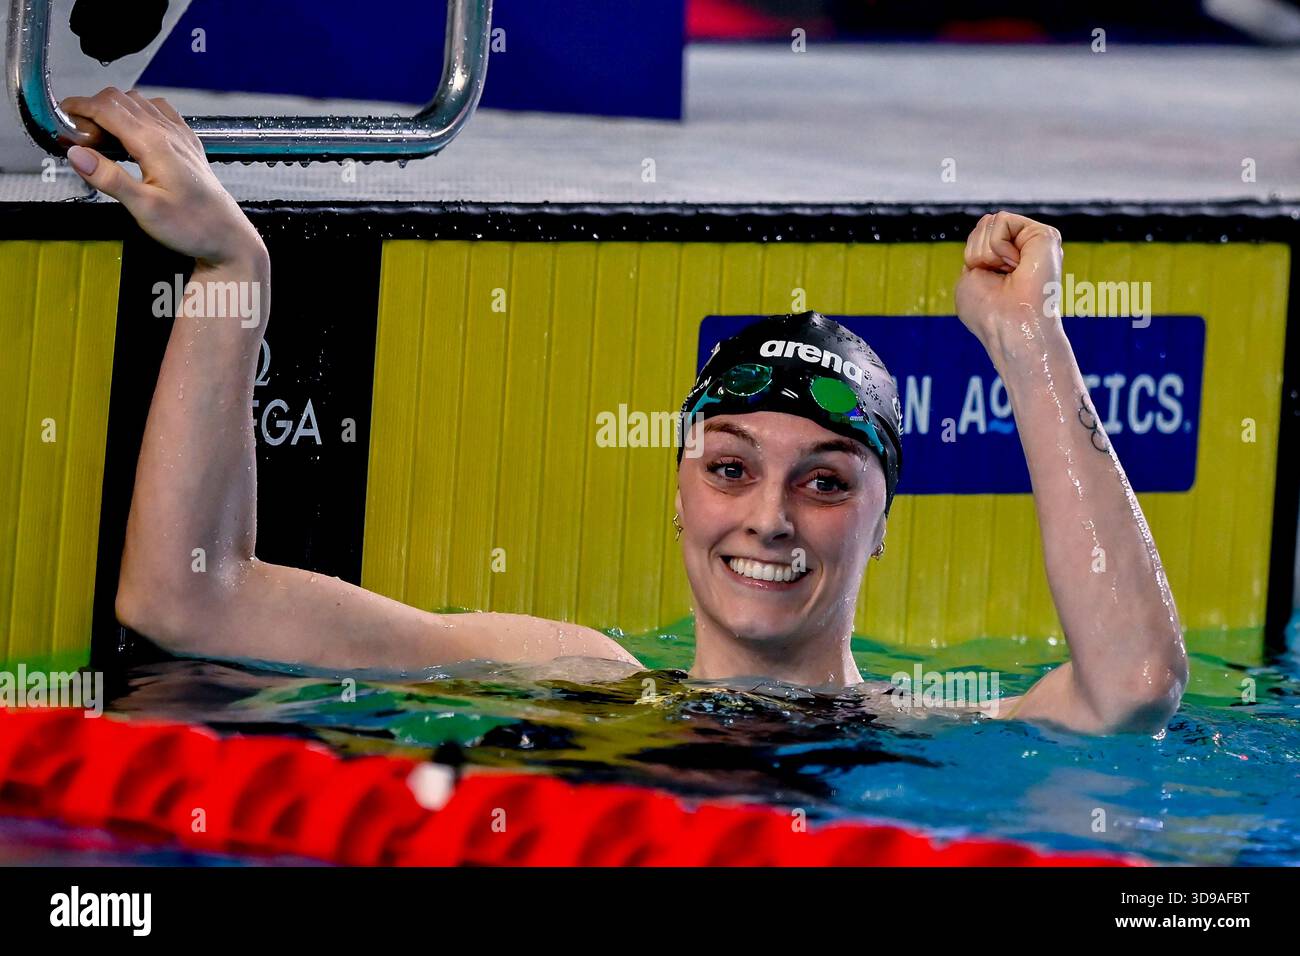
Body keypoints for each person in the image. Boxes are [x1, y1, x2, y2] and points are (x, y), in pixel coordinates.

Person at [61, 87, 1187, 736]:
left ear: (887, 519)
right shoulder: (568, 671)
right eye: (732, 466)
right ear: (680, 490)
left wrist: (1027, 341)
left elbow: (1133, 683)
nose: (771, 517)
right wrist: (232, 266)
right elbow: (189, 597)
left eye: (828, 479)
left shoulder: (920, 727)